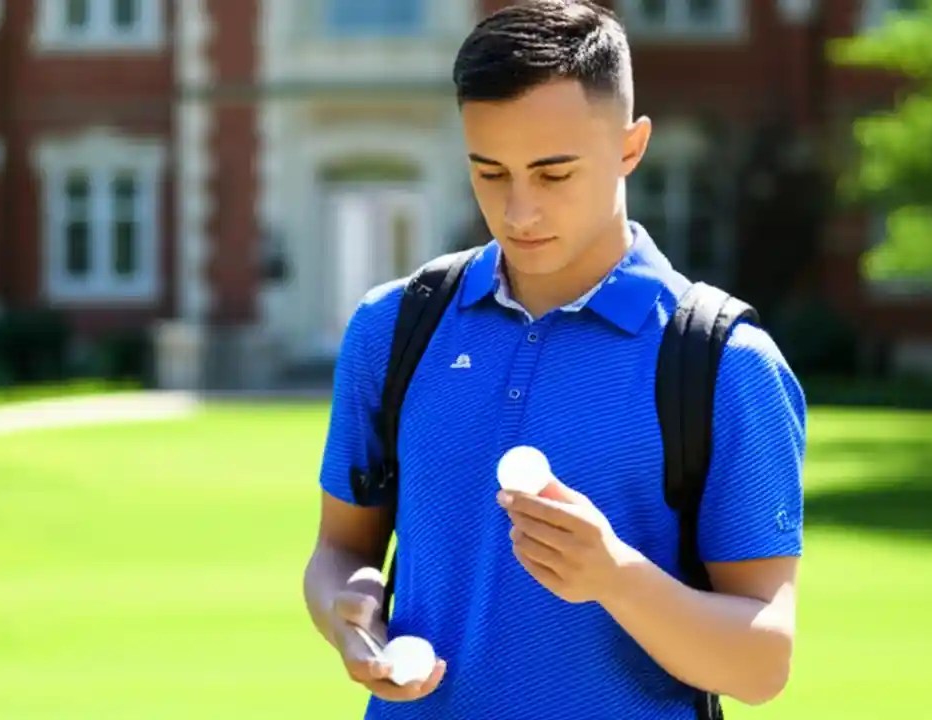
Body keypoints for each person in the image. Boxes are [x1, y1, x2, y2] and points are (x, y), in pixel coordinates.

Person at [301, 1, 806, 718]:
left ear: (631, 147)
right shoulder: (392, 328)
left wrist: (615, 576)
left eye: (553, 174)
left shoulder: (725, 363)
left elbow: (762, 664)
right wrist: (346, 612)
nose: (518, 213)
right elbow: (338, 551)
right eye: (490, 171)